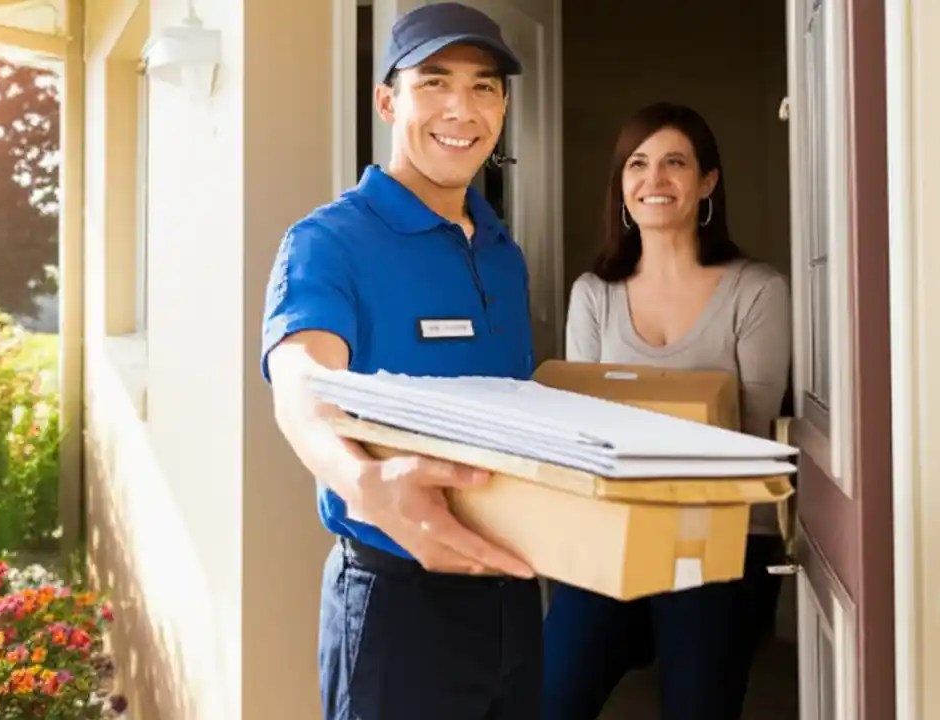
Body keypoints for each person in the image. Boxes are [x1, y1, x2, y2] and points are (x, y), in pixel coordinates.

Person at [259, 4, 545, 719]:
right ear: (388, 101)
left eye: (485, 86)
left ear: (504, 107)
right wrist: (363, 480)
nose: (462, 107)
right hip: (399, 607)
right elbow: (302, 387)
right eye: (435, 82)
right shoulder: (329, 241)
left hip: (514, 595)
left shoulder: (502, 252)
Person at [541, 102, 792, 720]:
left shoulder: (756, 290)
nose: (654, 180)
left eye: (674, 163)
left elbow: (747, 438)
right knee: (550, 697)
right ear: (622, 185)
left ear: (707, 181)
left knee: (697, 703)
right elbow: (585, 430)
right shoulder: (593, 295)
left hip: (724, 535)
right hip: (616, 530)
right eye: (638, 164)